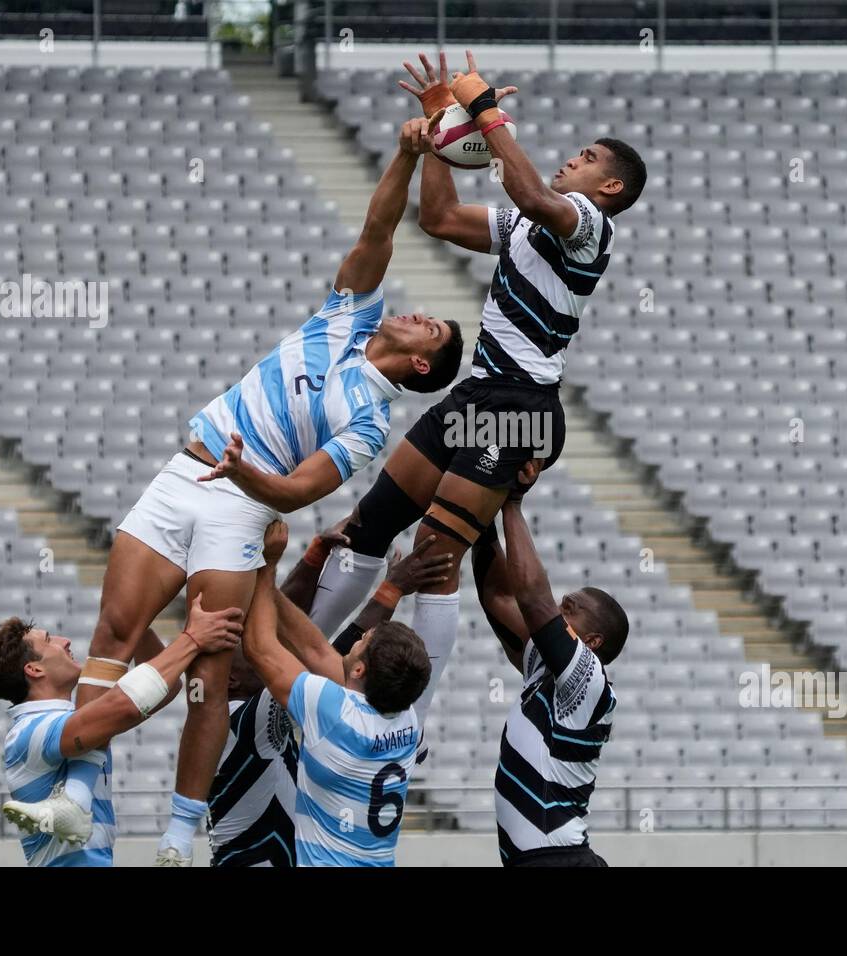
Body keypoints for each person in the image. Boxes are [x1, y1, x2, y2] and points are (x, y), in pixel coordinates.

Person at [79, 117, 463, 865]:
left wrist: (245, 477)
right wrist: (408, 152)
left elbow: (293, 491)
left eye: (433, 331)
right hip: (183, 471)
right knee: (114, 633)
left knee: (213, 676)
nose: (417, 315)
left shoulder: (367, 420)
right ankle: (81, 796)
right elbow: (377, 228)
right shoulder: (346, 317)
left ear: (422, 367)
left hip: (236, 499)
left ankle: (179, 833)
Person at [305, 50, 647, 743]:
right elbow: (438, 217)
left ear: (607, 186)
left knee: (434, 554)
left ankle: (410, 730)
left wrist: (485, 111)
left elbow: (529, 195)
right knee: (373, 523)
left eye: (585, 158)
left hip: (520, 410)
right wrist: (438, 130)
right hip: (478, 397)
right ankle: (308, 652)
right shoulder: (531, 222)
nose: (570, 161)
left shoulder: (586, 225)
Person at [206, 523, 450, 867]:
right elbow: (316, 650)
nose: (356, 643)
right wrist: (272, 570)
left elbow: (281, 648)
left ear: (361, 671)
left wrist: (267, 566)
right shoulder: (404, 716)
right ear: (229, 680)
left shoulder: (330, 711)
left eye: (363, 646)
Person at [0, 597, 244, 866]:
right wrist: (192, 639)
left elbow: (165, 690)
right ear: (34, 669)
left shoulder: (64, 720)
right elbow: (125, 706)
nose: (64, 640)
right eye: (49, 640)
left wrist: (135, 622)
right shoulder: (30, 731)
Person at [471, 463, 629, 865]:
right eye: (561, 606)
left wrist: (512, 502)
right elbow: (498, 597)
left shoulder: (590, 679)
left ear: (592, 642)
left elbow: (532, 599)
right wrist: (476, 513)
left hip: (558, 859)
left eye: (569, 610)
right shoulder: (545, 668)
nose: (558, 612)